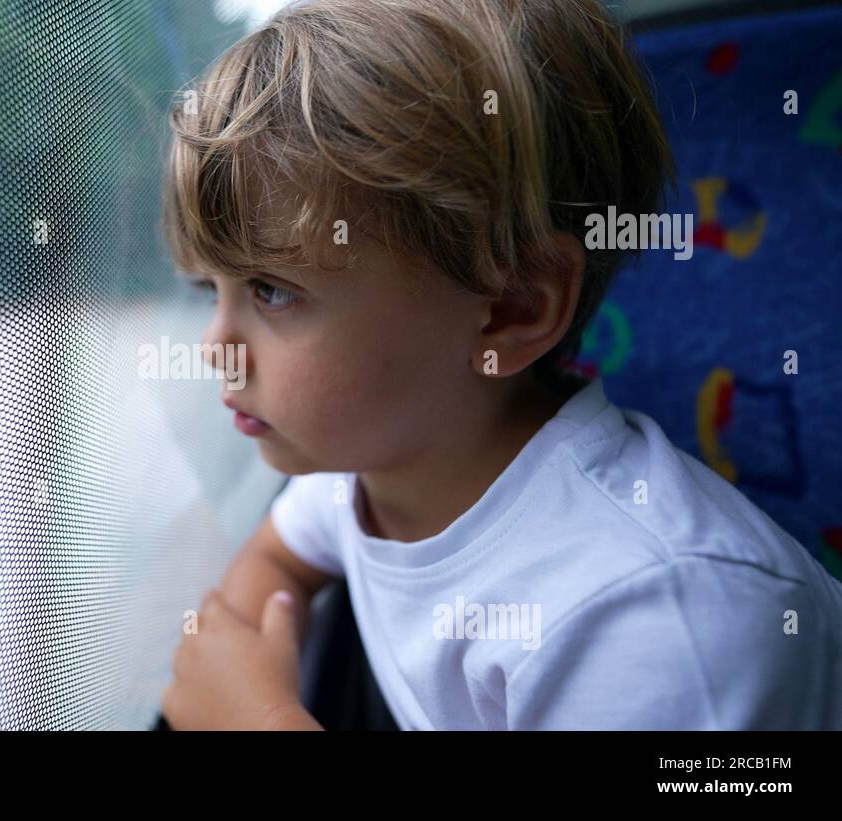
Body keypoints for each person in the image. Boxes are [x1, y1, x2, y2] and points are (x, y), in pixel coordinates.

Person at [157, 0, 842, 730]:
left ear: (511, 310)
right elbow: (274, 566)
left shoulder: (656, 621)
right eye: (210, 289)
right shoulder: (375, 464)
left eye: (272, 290)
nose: (214, 346)